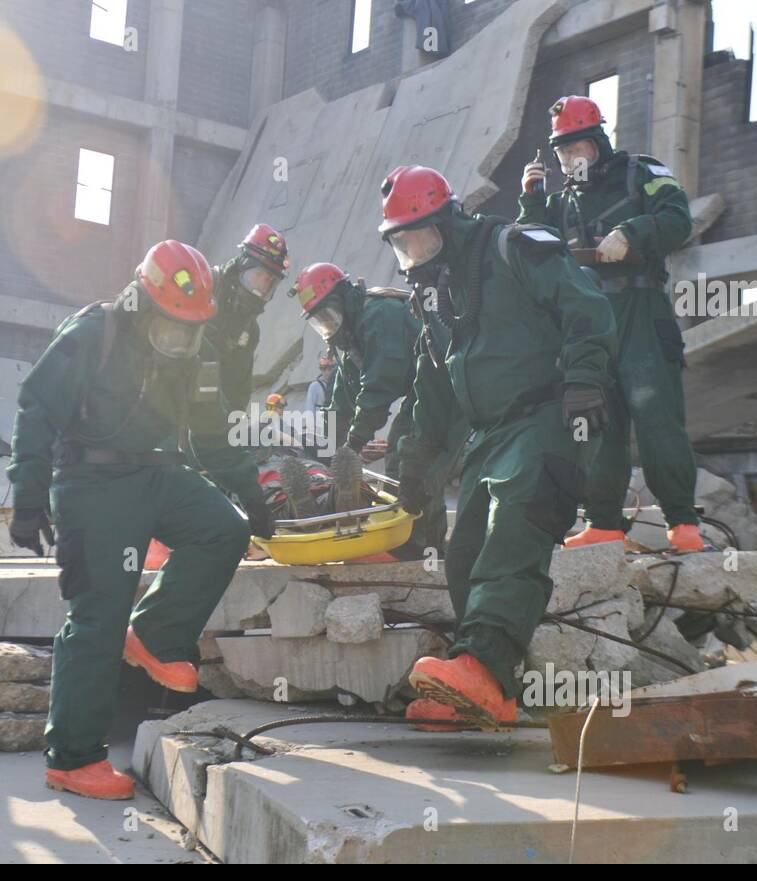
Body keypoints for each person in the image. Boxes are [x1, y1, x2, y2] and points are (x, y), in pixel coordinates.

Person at [6, 240, 275, 800]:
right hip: (91, 483)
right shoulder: (93, 335)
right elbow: (37, 408)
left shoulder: (194, 352)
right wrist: (28, 496)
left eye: (192, 328)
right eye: (173, 325)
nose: (182, 339)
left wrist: (253, 496)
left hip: (157, 475)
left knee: (222, 529)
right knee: (98, 617)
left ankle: (154, 633)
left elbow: (210, 434)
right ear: (142, 305)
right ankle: (73, 759)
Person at [379, 165, 617, 729]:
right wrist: (416, 467)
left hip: (547, 415)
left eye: (418, 236)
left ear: (446, 220)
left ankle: (482, 665)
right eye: (400, 243)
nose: (412, 252)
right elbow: (431, 390)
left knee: (514, 530)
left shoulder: (514, 248)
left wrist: (585, 378)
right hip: (490, 433)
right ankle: (491, 689)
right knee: (464, 555)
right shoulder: (432, 295)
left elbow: (586, 306)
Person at [518, 95, 702, 552]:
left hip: (641, 310)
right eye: (562, 152)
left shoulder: (643, 173)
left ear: (598, 141)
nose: (570, 159)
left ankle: (683, 524)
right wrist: (531, 203)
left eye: (577, 148)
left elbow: (679, 220)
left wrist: (635, 231)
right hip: (587, 322)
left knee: (658, 418)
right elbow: (527, 255)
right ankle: (604, 523)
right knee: (596, 425)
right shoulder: (560, 203)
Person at [289, 262, 446, 558]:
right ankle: (415, 542)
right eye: (319, 320)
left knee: (411, 455)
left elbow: (379, 385)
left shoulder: (379, 315)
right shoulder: (351, 337)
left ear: (343, 299)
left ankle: (426, 549)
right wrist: (319, 450)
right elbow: (344, 398)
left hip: (445, 384)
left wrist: (353, 444)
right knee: (403, 455)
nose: (328, 325)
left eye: (328, 315)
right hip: (423, 390)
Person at [203, 224, 290, 415]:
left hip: (202, 415)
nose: (260, 289)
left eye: (269, 283)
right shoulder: (203, 288)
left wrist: (230, 431)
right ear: (241, 266)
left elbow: (236, 393)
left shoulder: (249, 332)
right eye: (257, 276)